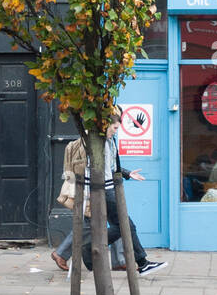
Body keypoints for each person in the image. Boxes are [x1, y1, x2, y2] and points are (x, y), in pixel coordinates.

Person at [52, 116, 167, 276]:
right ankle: (139, 262)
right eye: (114, 128)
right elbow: (85, 168)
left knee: (114, 226)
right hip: (102, 191)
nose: (116, 131)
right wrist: (87, 191)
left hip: (106, 189)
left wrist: (126, 173)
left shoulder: (109, 142)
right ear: (105, 125)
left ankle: (114, 258)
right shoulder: (92, 143)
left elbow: (109, 168)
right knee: (124, 226)